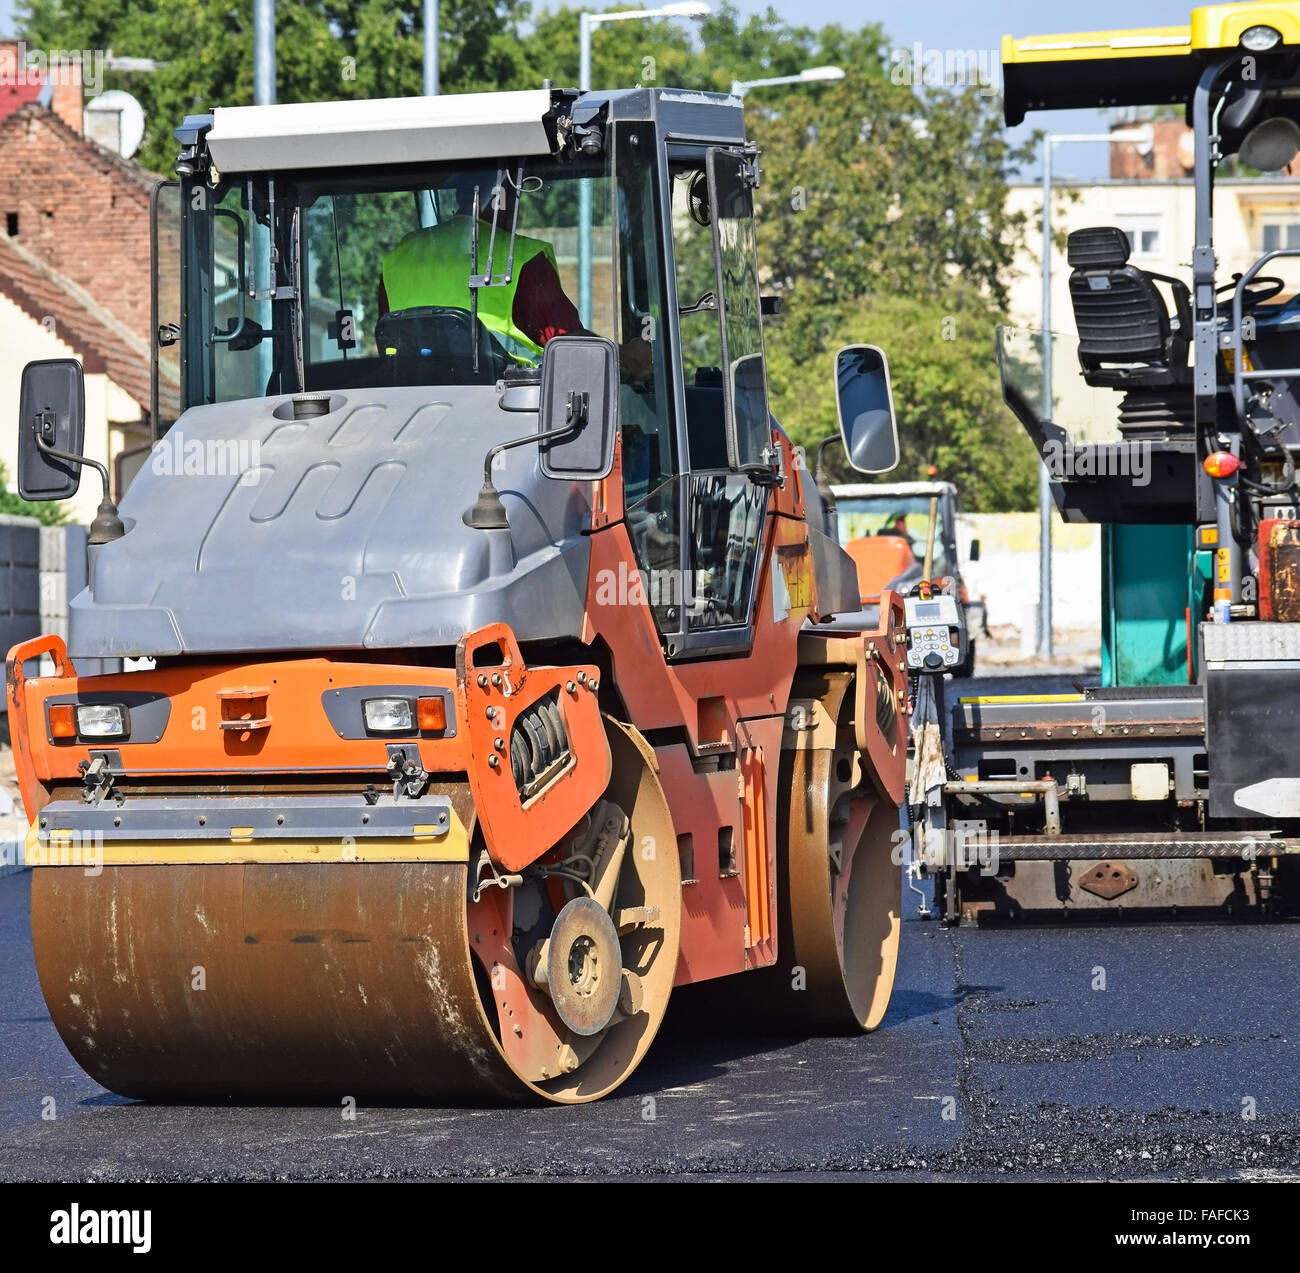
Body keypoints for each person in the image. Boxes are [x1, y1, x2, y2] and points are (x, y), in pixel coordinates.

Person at [378, 170, 582, 365]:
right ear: (503, 200)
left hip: (410, 394)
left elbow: (385, 337)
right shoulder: (522, 257)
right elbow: (572, 348)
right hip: (504, 396)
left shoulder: (398, 258)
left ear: (460, 198)